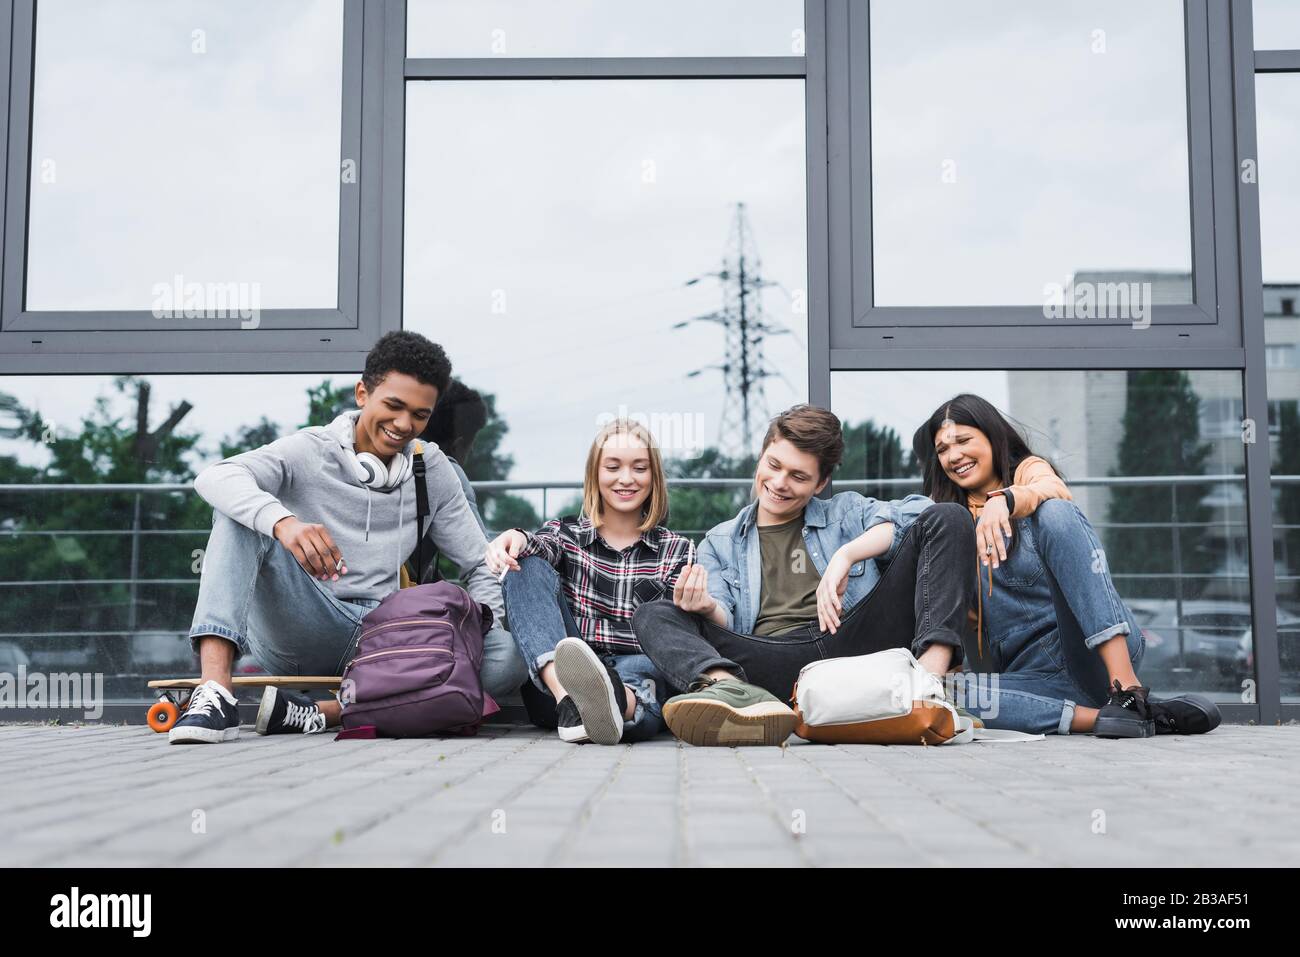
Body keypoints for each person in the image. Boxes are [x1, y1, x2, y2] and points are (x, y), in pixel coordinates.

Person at [169, 331, 526, 744]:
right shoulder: (308, 450)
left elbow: (480, 562)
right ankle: (215, 693)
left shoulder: (431, 469)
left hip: (382, 637)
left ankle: (325, 714)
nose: (404, 425)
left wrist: (473, 629)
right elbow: (216, 476)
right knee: (238, 515)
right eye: (393, 406)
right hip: (304, 623)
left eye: (420, 414)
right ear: (362, 393)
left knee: (507, 657)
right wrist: (284, 522)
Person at [631, 404, 978, 747]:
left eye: (798, 476)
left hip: (859, 643)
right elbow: (726, 616)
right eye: (774, 465)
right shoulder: (720, 540)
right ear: (762, 456)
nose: (779, 484)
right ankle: (733, 693)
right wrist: (705, 606)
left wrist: (847, 554)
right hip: (774, 658)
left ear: (820, 482)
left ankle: (928, 686)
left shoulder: (846, 512)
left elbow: (921, 513)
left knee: (951, 517)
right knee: (653, 613)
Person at [913, 393, 1220, 737]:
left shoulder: (1028, 471)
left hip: (1092, 653)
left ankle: (1129, 692)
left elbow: (1052, 488)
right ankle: (1122, 717)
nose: (954, 456)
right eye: (942, 449)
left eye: (964, 440)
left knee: (1056, 511)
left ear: (992, 436)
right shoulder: (948, 525)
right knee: (935, 692)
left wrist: (1005, 500)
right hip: (1034, 679)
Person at [486, 419, 691, 745]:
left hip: (635, 674)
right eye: (613, 467)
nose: (626, 478)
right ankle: (571, 700)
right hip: (558, 678)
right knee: (525, 565)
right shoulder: (564, 534)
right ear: (595, 474)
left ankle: (609, 700)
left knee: (643, 681)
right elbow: (539, 545)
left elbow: (667, 635)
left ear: (654, 478)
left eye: (639, 468)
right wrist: (516, 538)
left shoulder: (677, 550)